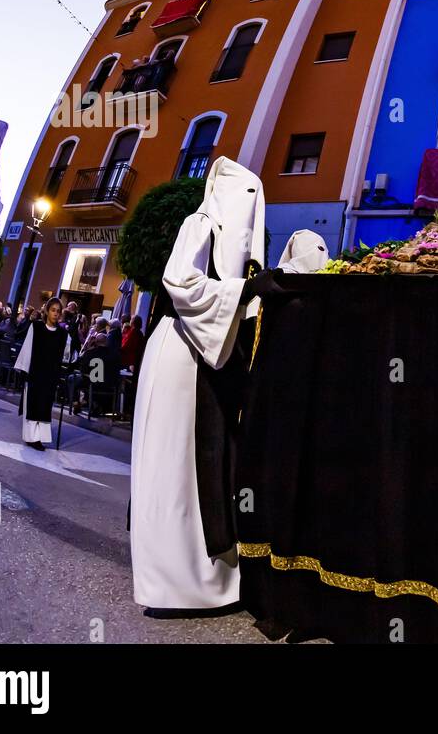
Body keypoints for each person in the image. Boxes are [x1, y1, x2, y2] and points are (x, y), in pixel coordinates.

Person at [130, 156, 265, 612]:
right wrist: (242, 293)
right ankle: (170, 582)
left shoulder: (234, 246)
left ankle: (211, 579)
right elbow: (180, 282)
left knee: (201, 464)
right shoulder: (200, 223)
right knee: (173, 463)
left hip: (208, 353)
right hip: (180, 352)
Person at [14, 297, 71, 450]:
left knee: (44, 406)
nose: (55, 314)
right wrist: (24, 370)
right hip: (35, 372)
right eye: (53, 310)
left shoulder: (62, 334)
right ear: (47, 311)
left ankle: (39, 438)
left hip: (50, 374)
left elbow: (66, 355)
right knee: (33, 404)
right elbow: (27, 348)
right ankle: (31, 437)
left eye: (58, 311)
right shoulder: (36, 327)